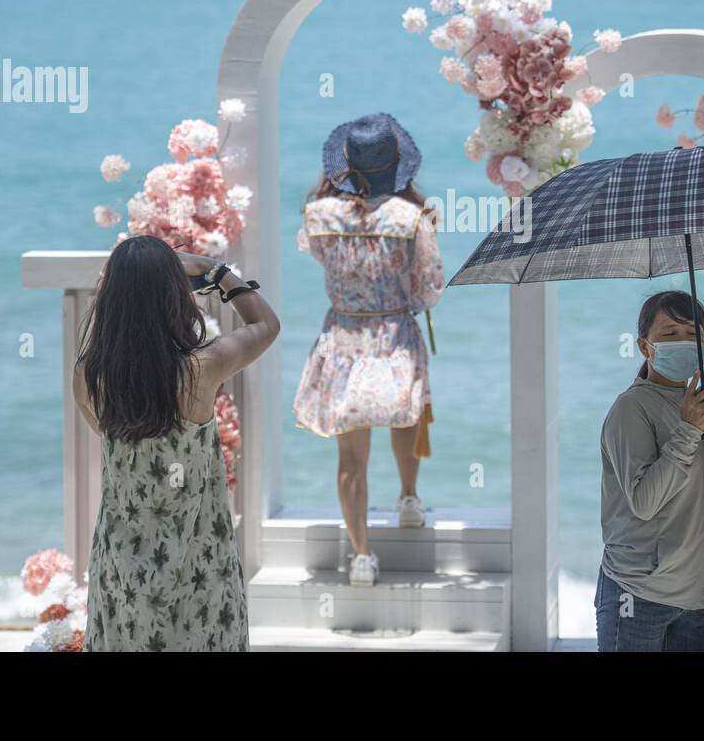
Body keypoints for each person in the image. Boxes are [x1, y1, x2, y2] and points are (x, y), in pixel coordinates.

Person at [74, 234, 280, 651]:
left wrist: (119, 288)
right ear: (174, 296)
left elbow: (104, 429)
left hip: (123, 570)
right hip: (198, 563)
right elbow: (265, 326)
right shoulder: (200, 368)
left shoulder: (88, 376)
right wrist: (219, 272)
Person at [293, 113, 445, 588]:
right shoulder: (412, 219)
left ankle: (361, 557)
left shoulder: (317, 216)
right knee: (405, 415)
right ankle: (407, 498)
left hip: (342, 338)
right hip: (394, 334)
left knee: (350, 458)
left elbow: (319, 257)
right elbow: (430, 289)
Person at [595, 290, 704, 651]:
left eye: (693, 333)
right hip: (639, 594)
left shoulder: (700, 407)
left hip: (698, 595)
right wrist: (688, 430)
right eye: (670, 334)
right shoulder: (631, 409)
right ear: (644, 346)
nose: (683, 341)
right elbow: (644, 501)